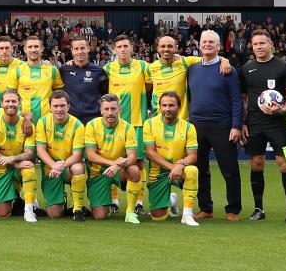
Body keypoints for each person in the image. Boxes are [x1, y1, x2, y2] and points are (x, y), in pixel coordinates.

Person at [239, 29, 286, 222]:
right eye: (255, 44)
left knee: (284, 164)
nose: (258, 47)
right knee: (256, 164)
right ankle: (259, 209)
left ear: (271, 44)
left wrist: (282, 110)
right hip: (255, 123)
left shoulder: (284, 67)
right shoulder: (247, 68)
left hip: (277, 123)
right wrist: (243, 121)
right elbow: (244, 98)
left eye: (262, 43)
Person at [186, 29, 244, 221]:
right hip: (196, 126)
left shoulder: (228, 69)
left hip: (222, 126)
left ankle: (233, 210)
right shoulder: (192, 68)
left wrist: (236, 125)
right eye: (204, 41)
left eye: (212, 42)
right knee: (200, 169)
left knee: (229, 169)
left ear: (219, 46)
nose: (207, 44)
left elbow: (236, 100)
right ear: (199, 44)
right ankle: (206, 208)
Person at [139, 91, 200, 227]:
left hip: (180, 170)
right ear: (159, 107)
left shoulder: (189, 127)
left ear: (179, 106)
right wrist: (174, 168)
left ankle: (187, 214)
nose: (167, 109)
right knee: (158, 217)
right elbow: (150, 153)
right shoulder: (149, 124)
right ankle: (172, 200)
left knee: (192, 170)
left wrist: (181, 165)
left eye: (171, 105)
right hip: (158, 172)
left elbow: (193, 156)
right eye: (164, 105)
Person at [84, 93, 141, 222]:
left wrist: (117, 166)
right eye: (106, 109)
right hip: (97, 173)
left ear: (119, 110)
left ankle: (130, 213)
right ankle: (106, 201)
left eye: (113, 109)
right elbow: (91, 155)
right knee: (99, 216)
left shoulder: (128, 127)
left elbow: (132, 157)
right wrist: (113, 164)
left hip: (118, 171)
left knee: (134, 170)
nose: (110, 112)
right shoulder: (92, 125)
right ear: (101, 110)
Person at [33, 91, 86, 221]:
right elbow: (40, 150)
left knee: (78, 168)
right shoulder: (43, 122)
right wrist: (53, 165)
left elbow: (77, 155)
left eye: (62, 105)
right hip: (50, 170)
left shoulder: (78, 125)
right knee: (54, 215)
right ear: (50, 107)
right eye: (55, 106)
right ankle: (62, 199)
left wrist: (60, 167)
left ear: (68, 106)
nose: (59, 109)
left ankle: (77, 209)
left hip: (67, 168)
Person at [0, 90, 38, 222]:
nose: (10, 104)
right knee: (1, 213)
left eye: (14, 101)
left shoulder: (28, 125)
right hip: (1, 169)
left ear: (19, 103)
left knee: (28, 168)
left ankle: (29, 209)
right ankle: (16, 195)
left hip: (19, 166)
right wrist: (15, 163)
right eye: (7, 101)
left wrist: (12, 159)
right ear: (1, 103)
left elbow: (29, 153)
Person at [61, 36, 107, 124]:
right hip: (70, 121)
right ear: (72, 51)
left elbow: (105, 93)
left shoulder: (99, 71)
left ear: (88, 48)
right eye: (76, 49)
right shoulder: (64, 70)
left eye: (82, 48)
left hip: (93, 120)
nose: (79, 52)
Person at [0, 36, 22, 107]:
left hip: (13, 110)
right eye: (1, 48)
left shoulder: (21, 65)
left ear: (12, 49)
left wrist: (44, 63)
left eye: (7, 48)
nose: (4, 51)